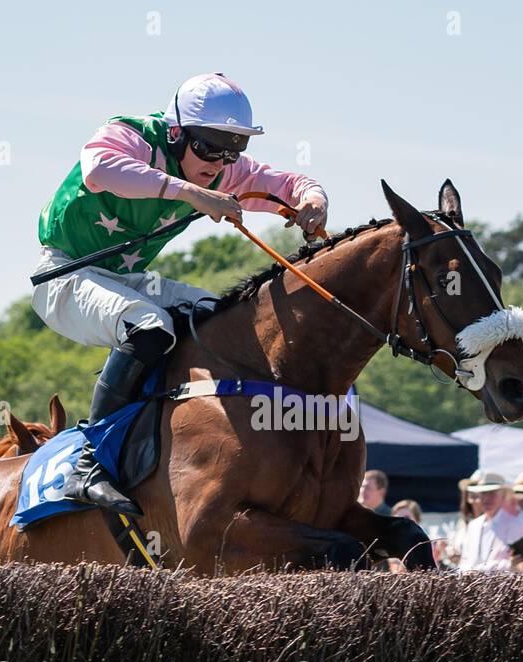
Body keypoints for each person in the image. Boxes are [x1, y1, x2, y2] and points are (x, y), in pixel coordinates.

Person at [31, 73, 329, 517]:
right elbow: (99, 169)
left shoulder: (222, 171)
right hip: (63, 276)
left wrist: (313, 198)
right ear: (177, 133)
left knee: (219, 316)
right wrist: (192, 193)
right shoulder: (132, 134)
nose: (220, 163)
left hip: (127, 279)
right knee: (149, 326)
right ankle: (88, 462)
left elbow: (287, 183)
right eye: (209, 148)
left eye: (232, 151)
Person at [457, 472, 523, 572]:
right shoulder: (473, 525)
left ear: (503, 496)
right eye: (483, 493)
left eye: (492, 493)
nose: (486, 498)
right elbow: (465, 560)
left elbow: (517, 562)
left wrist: (477, 570)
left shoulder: (516, 525)